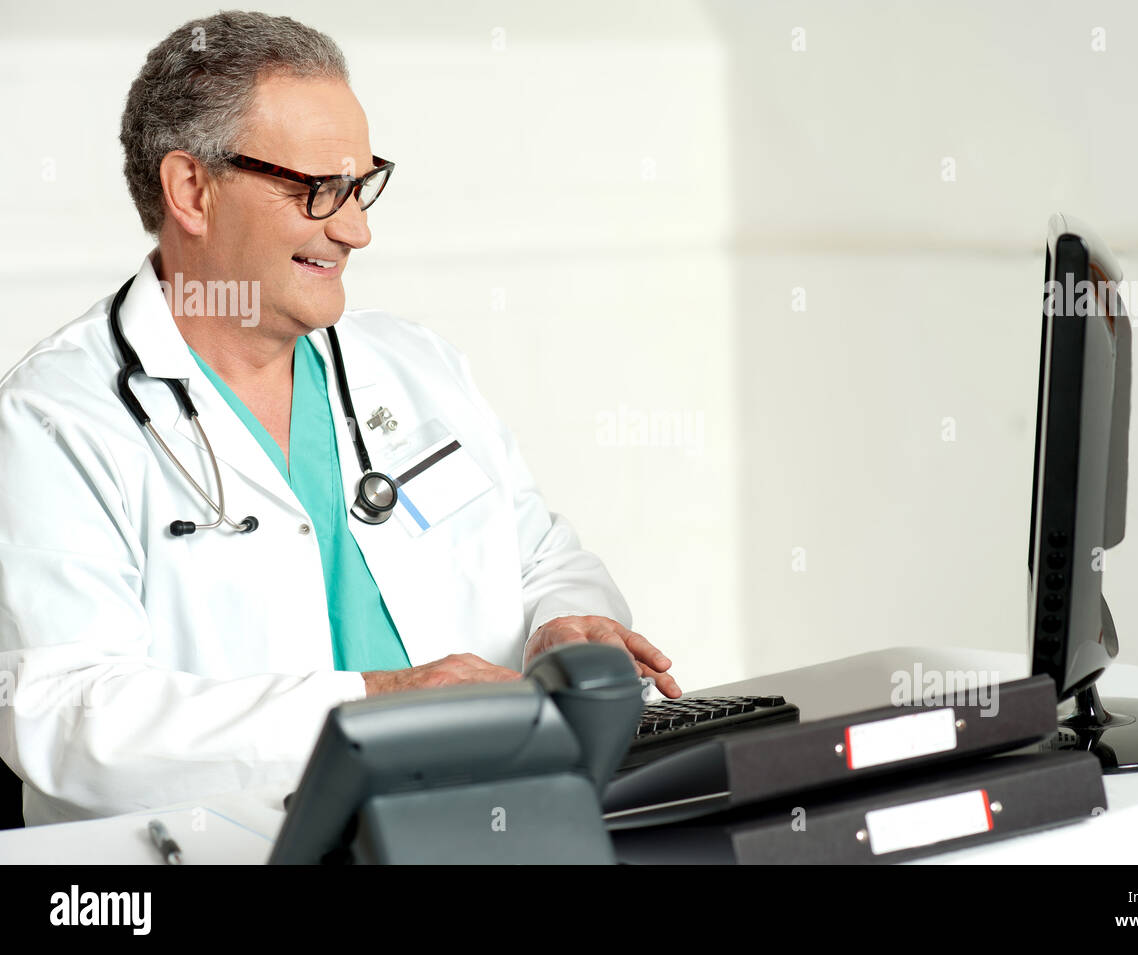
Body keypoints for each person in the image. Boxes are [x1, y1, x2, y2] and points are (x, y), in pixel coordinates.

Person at [0, 11, 679, 826]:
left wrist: (563, 623)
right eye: (318, 190)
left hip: (479, 830)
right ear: (191, 189)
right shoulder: (58, 418)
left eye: (360, 186)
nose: (356, 229)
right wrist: (377, 703)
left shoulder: (415, 365)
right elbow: (68, 718)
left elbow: (541, 557)